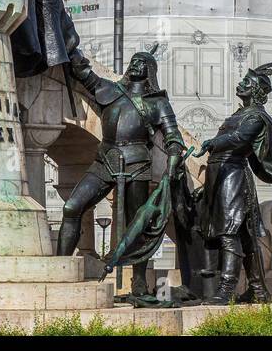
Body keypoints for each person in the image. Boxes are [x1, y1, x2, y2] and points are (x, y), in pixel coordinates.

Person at [58, 50, 187, 303]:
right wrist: (68, 47)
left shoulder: (158, 102)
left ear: (150, 71)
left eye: (143, 62)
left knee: (136, 225)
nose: (137, 64)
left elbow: (173, 136)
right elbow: (83, 73)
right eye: (134, 61)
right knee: (72, 207)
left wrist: (173, 157)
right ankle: (60, 269)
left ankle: (138, 280)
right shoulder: (108, 89)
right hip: (104, 160)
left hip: (137, 164)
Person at [197, 62, 272, 304]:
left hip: (233, 176)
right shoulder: (238, 114)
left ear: (255, 91)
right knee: (244, 236)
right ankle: (258, 290)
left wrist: (214, 143)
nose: (240, 84)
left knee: (229, 232)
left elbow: (240, 139)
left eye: (246, 82)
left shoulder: (256, 117)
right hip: (218, 175)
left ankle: (227, 287)